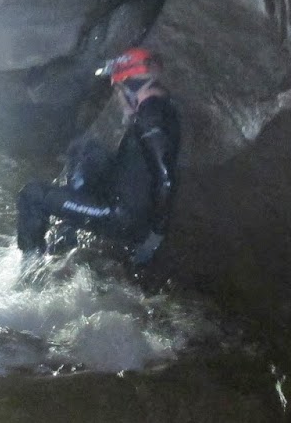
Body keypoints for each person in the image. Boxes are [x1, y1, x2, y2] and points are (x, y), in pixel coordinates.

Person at [17, 47, 181, 267]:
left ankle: (30, 271)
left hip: (119, 216)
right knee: (85, 150)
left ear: (128, 86)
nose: (119, 98)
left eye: (117, 88)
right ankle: (68, 232)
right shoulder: (157, 109)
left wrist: (155, 236)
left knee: (32, 195)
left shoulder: (150, 118)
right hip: (123, 200)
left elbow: (166, 178)